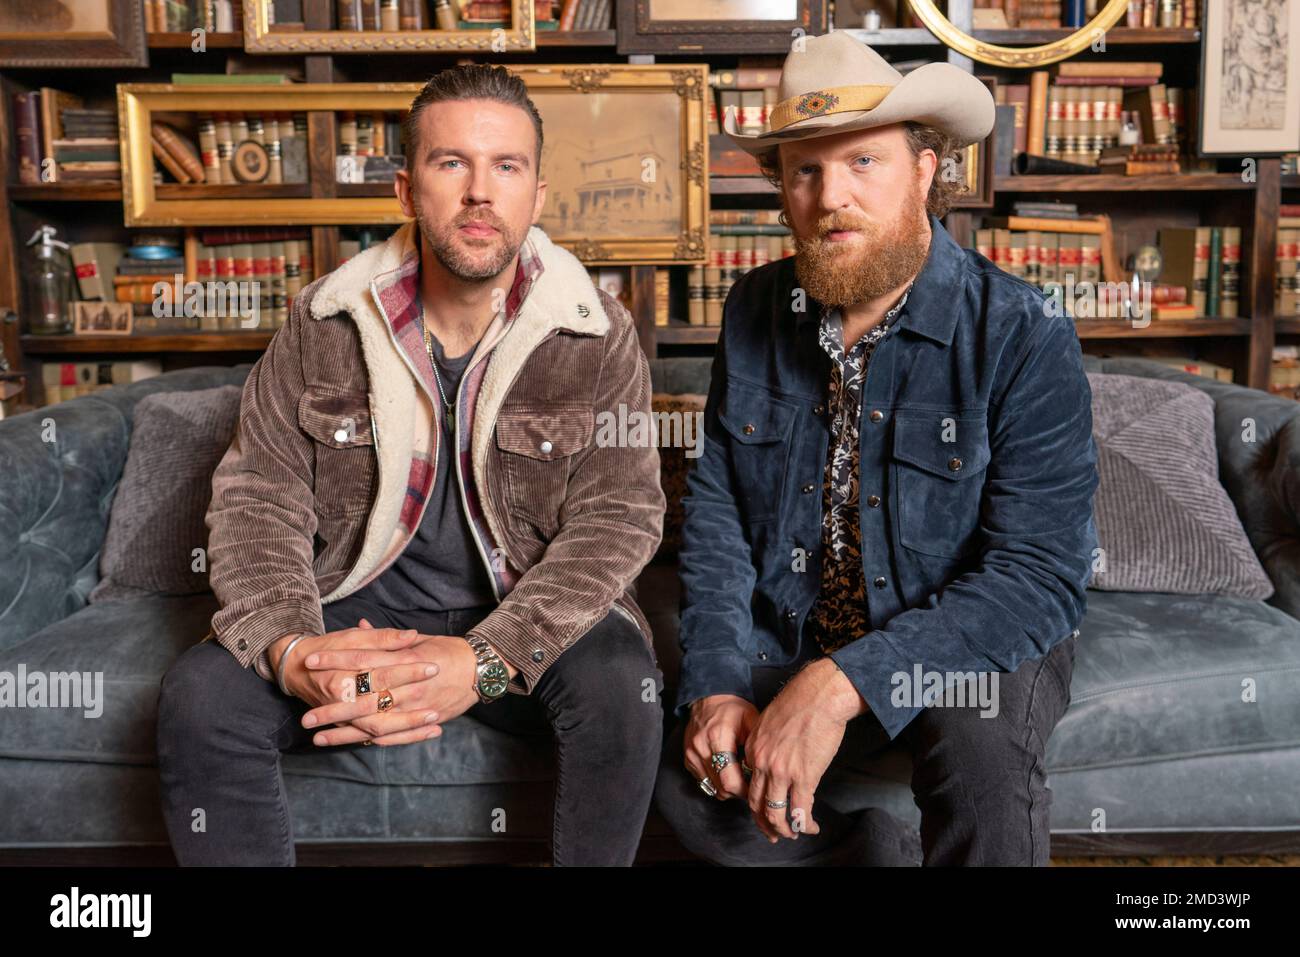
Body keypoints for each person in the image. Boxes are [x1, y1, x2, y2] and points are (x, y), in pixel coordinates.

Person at [157, 64, 667, 867]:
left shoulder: (596, 332)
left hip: (522, 616)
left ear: (537, 195)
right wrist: (295, 652)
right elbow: (259, 495)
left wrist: (489, 659)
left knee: (622, 689)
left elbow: (619, 516)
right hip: (352, 617)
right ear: (405, 189)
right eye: (450, 163)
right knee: (201, 695)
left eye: (507, 167)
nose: (479, 193)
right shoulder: (323, 320)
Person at [655, 31, 1099, 866]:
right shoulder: (755, 307)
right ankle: (870, 851)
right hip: (793, 621)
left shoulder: (1021, 331)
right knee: (675, 747)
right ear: (782, 188)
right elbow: (716, 511)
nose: (832, 197)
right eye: (807, 170)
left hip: (963, 629)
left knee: (982, 758)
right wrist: (714, 678)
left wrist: (839, 684)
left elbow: (1038, 575)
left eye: (863, 162)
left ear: (925, 171)